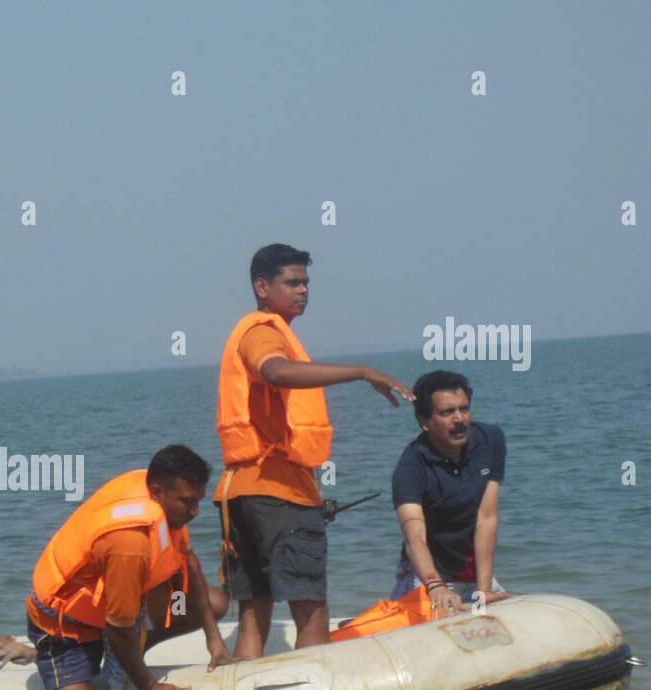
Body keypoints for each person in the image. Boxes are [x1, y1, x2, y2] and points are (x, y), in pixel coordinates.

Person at [216, 243, 414, 658]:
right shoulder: (262, 331)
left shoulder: (268, 331)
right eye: (292, 282)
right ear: (262, 286)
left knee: (253, 612)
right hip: (277, 491)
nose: (303, 290)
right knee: (311, 610)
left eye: (306, 282)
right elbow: (275, 370)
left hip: (240, 495)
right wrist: (362, 372)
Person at [27, 445, 236, 690]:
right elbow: (118, 627)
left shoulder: (165, 506)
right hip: (66, 634)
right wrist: (149, 687)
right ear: (157, 492)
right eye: (188, 501)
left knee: (212, 603)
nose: (196, 511)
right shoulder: (129, 543)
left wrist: (213, 638)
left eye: (198, 500)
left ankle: (133, 654)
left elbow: (189, 561)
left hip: (122, 610)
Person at [391, 370, 509, 616]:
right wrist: (436, 587)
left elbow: (486, 517)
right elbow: (415, 538)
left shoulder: (491, 440)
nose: (459, 419)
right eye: (447, 412)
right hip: (427, 575)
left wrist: (484, 590)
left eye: (464, 409)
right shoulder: (410, 467)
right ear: (425, 421)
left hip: (473, 574)